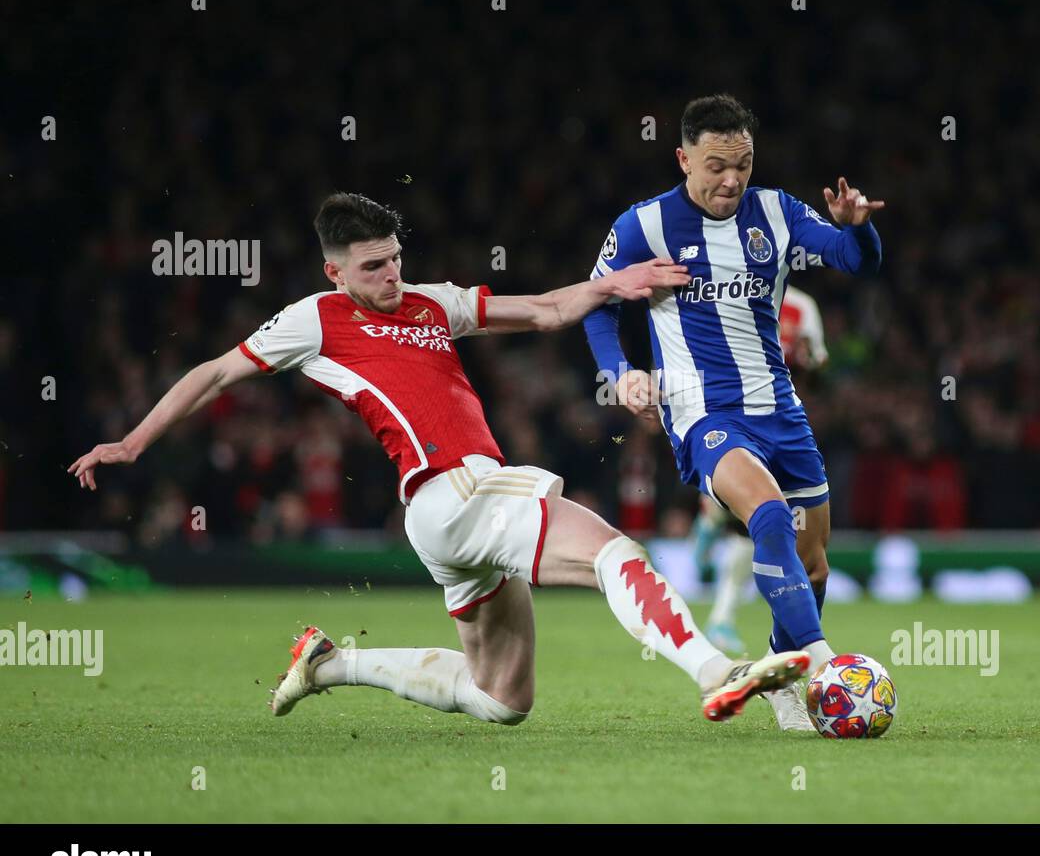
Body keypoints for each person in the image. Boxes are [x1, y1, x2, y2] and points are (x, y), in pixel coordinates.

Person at [68, 192, 809, 727]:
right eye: (372, 269)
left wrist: (613, 285)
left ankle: (328, 664)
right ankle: (718, 671)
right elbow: (215, 372)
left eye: (394, 261)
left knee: (500, 700)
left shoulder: (430, 303)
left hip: (451, 516)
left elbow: (544, 310)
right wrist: (134, 440)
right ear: (335, 274)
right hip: (455, 493)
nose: (390, 278)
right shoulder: (314, 321)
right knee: (616, 553)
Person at [582, 94, 883, 730]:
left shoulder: (775, 211)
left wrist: (857, 226)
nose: (731, 179)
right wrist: (620, 371)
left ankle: (777, 668)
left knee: (814, 561)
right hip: (701, 410)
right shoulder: (644, 226)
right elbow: (599, 302)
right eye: (716, 164)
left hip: (780, 406)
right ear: (683, 158)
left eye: (742, 163)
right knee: (767, 513)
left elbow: (857, 262)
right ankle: (824, 664)